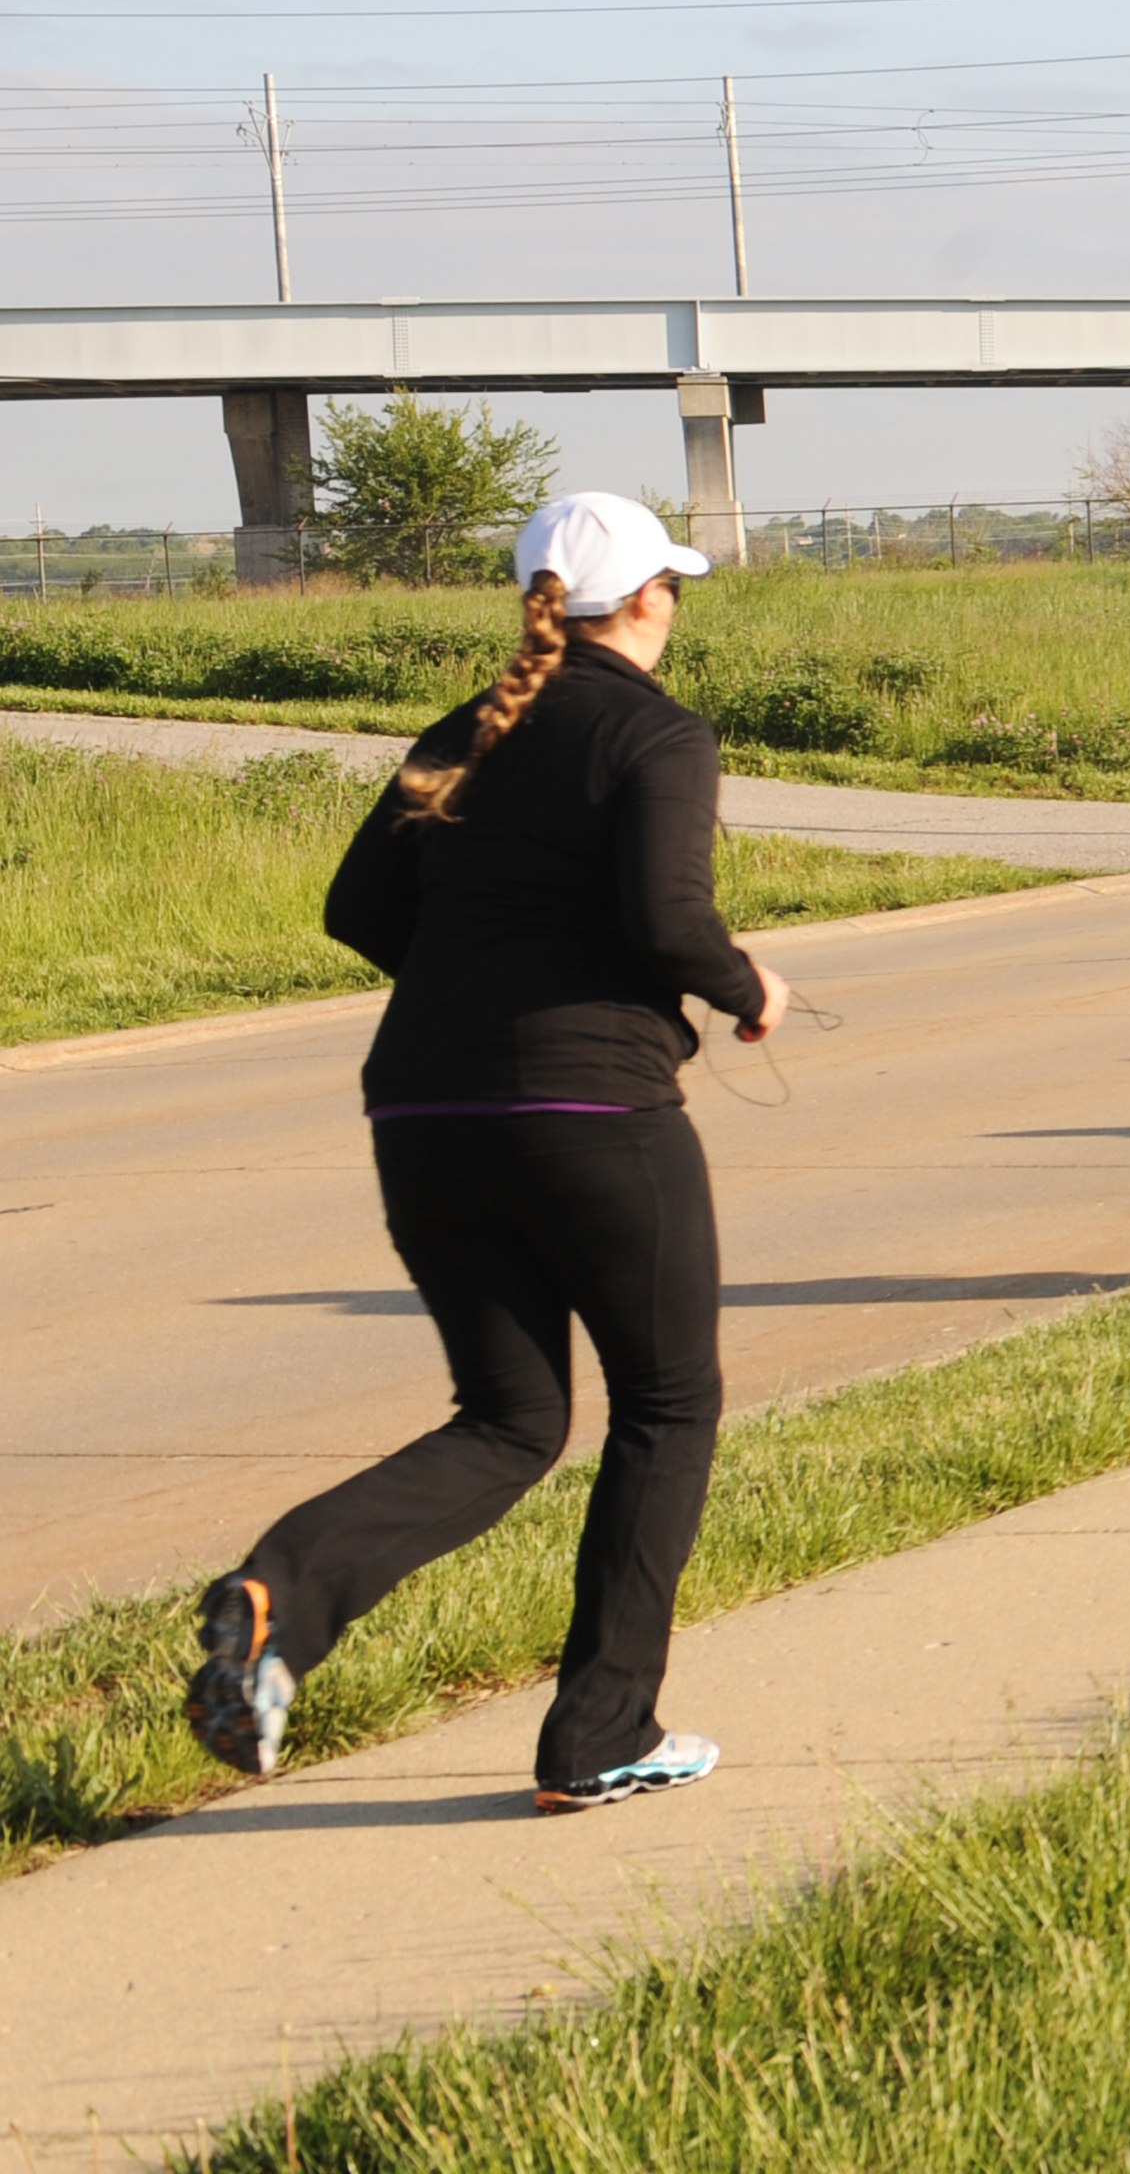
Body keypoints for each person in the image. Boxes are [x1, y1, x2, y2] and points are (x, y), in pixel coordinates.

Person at [186, 493, 790, 1816]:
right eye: (672, 588)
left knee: (511, 1419)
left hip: (421, 1115)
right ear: (644, 601)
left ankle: (276, 1604)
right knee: (668, 1408)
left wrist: (476, 993)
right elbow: (667, 919)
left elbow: (359, 907)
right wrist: (745, 987)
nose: (674, 608)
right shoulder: (656, 732)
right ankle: (599, 1735)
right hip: (591, 1120)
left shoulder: (466, 730)